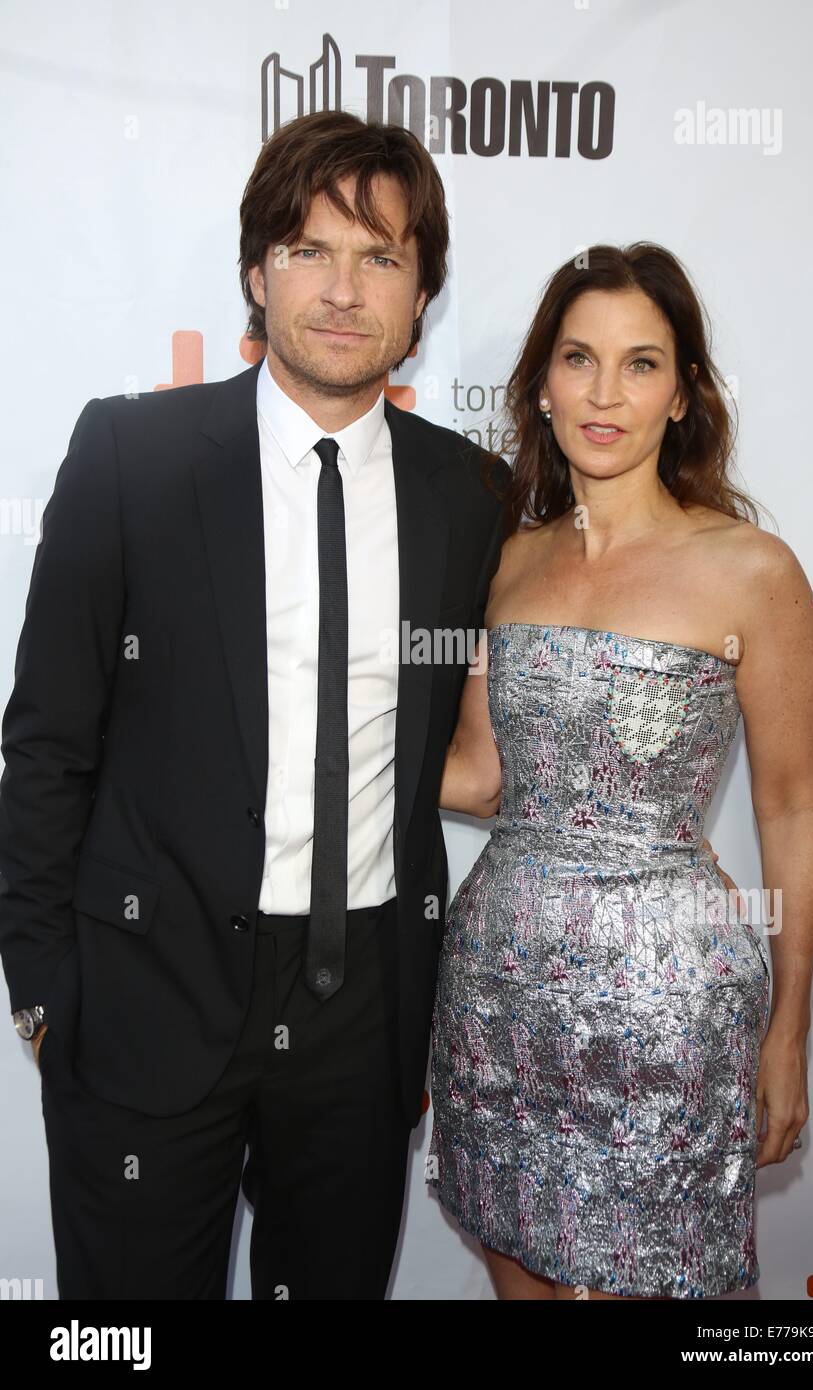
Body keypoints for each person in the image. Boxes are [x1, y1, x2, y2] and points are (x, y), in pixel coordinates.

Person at [0, 109, 511, 1300]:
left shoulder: (467, 491)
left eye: (379, 256)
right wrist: (41, 993)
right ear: (255, 270)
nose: (342, 289)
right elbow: (47, 742)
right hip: (144, 995)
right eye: (309, 249)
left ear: (421, 293)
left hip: (361, 1012)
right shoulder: (133, 457)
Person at [428, 243, 813, 1300]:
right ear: (542, 384)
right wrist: (313, 739)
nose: (604, 393)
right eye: (578, 358)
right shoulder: (507, 560)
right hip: (496, 1002)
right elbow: (473, 774)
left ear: (683, 394)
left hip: (666, 1012)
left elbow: (789, 806)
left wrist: (787, 1031)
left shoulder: (750, 569)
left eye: (640, 363)